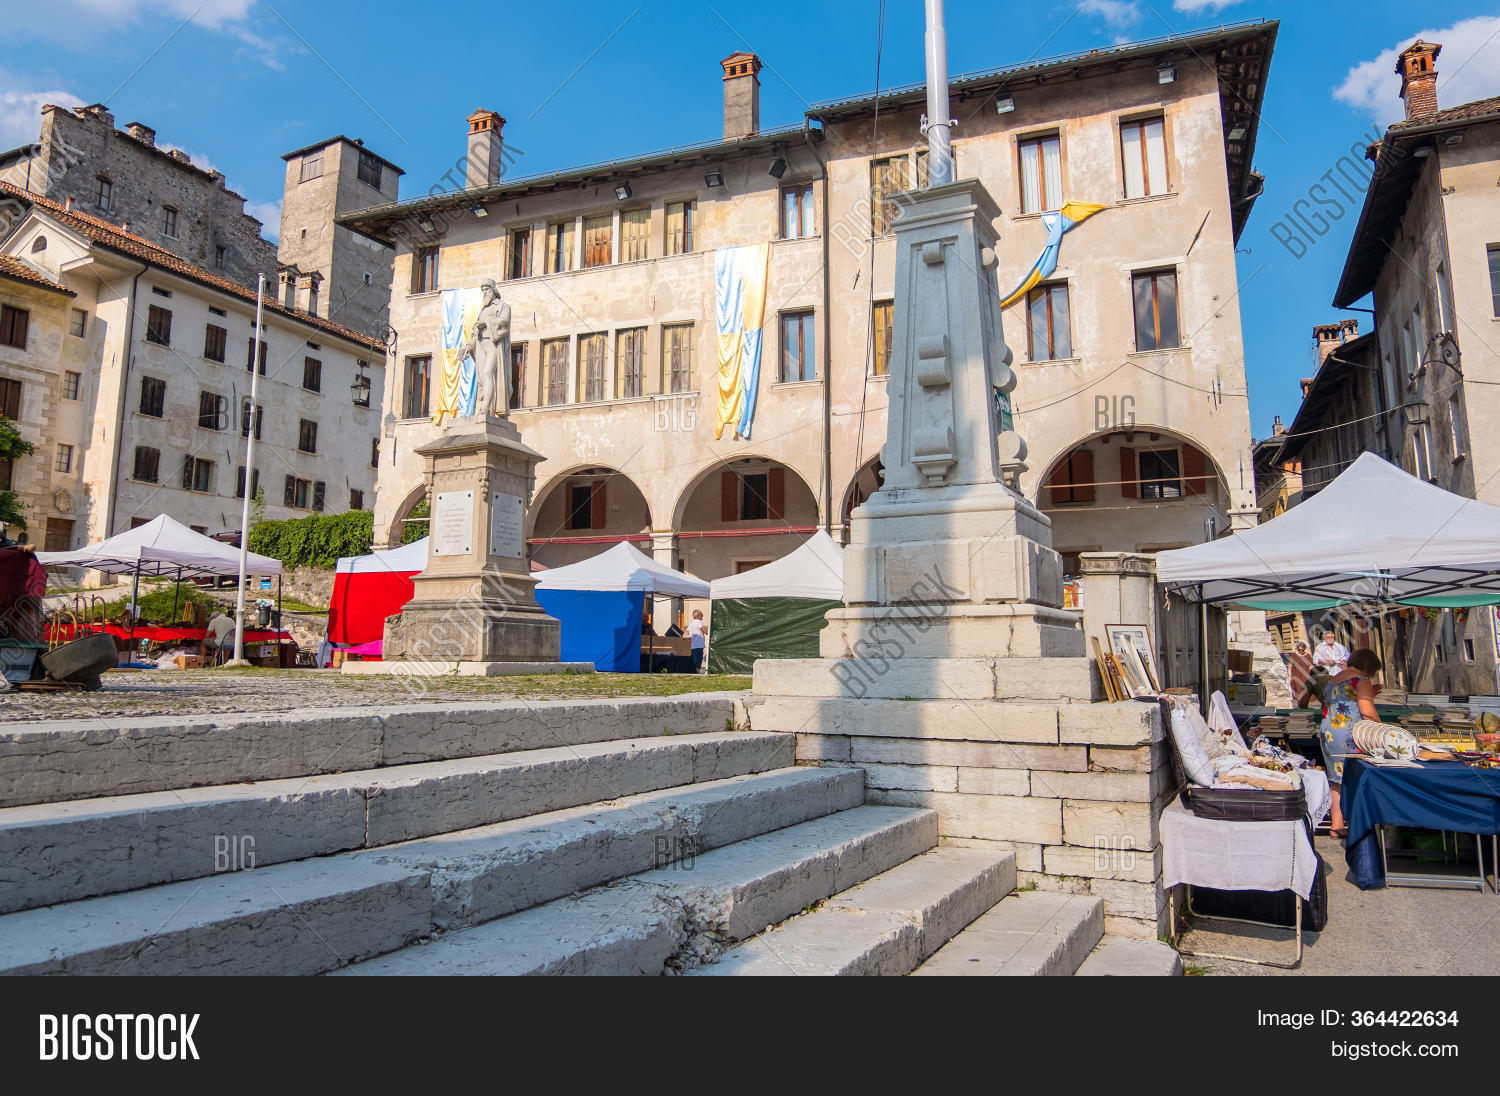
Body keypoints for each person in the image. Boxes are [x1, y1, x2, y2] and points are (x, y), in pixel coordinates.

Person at [1318, 647, 1383, 838]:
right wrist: (1384, 729)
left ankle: (1337, 825)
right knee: (1356, 777)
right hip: (1350, 734)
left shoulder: (1331, 679)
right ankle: (1356, 824)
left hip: (1328, 732)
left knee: (1336, 780)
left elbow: (1341, 701)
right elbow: (1367, 712)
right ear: (1368, 668)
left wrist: (1369, 695)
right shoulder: (1362, 680)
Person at [1288, 641, 1315, 706]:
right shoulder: (1294, 655)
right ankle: (1300, 706)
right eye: (1299, 649)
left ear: (1304, 649)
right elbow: (1289, 667)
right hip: (1296, 676)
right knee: (1298, 691)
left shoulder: (1308, 656)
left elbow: (1311, 666)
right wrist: (1289, 676)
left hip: (1306, 676)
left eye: (1302, 649)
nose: (1300, 651)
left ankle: (1304, 706)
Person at [686, 608, 708, 673]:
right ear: (698, 616)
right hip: (698, 646)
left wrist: (691, 638)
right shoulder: (698, 622)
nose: (702, 616)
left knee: (694, 661)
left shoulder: (691, 623)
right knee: (698, 662)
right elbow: (704, 630)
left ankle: (696, 673)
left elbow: (686, 633)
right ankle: (697, 673)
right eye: (701, 615)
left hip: (692, 645)